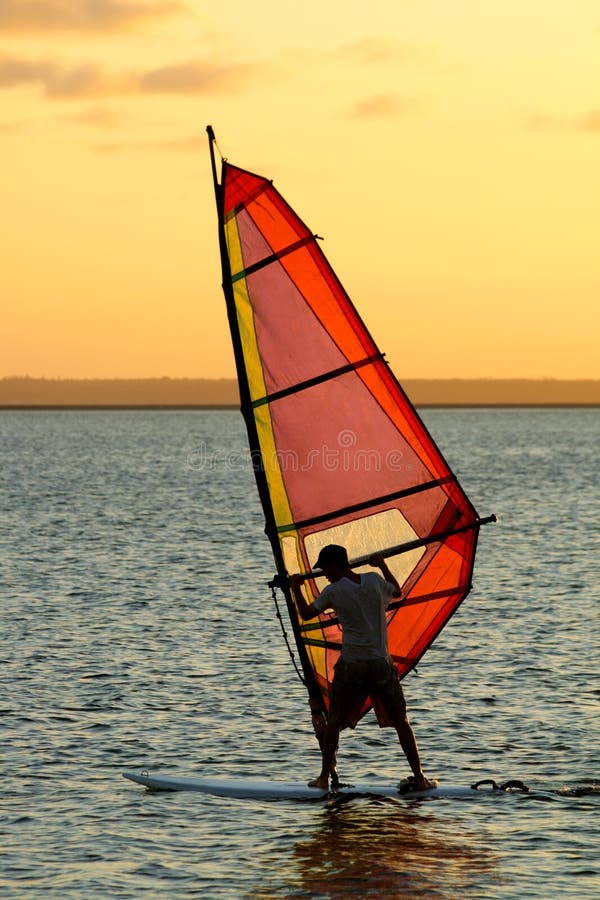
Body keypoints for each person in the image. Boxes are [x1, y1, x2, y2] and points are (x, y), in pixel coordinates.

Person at [289, 544, 436, 792]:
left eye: (325, 567)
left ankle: (324, 778)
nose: (324, 573)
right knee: (402, 722)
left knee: (334, 721)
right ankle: (420, 778)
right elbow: (398, 590)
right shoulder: (375, 580)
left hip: (352, 665)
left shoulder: (333, 591)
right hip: (380, 664)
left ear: (336, 564)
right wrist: (382, 564)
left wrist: (295, 588)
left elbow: (305, 613)